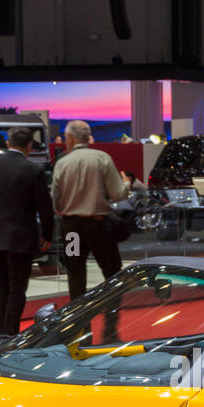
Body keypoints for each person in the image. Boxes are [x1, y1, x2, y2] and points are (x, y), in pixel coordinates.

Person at [0, 126, 54, 336]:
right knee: (18, 287)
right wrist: (47, 234)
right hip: (21, 237)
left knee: (2, 285)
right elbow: (44, 207)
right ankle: (10, 332)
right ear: (29, 145)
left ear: (8, 143)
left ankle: (1, 332)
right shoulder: (33, 170)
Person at [50, 119, 128, 299]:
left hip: (71, 229)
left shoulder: (62, 163)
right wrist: (126, 184)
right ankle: (111, 322)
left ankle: (80, 326)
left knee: (74, 271)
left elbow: (56, 201)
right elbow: (118, 195)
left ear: (70, 138)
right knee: (112, 273)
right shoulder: (102, 158)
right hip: (98, 226)